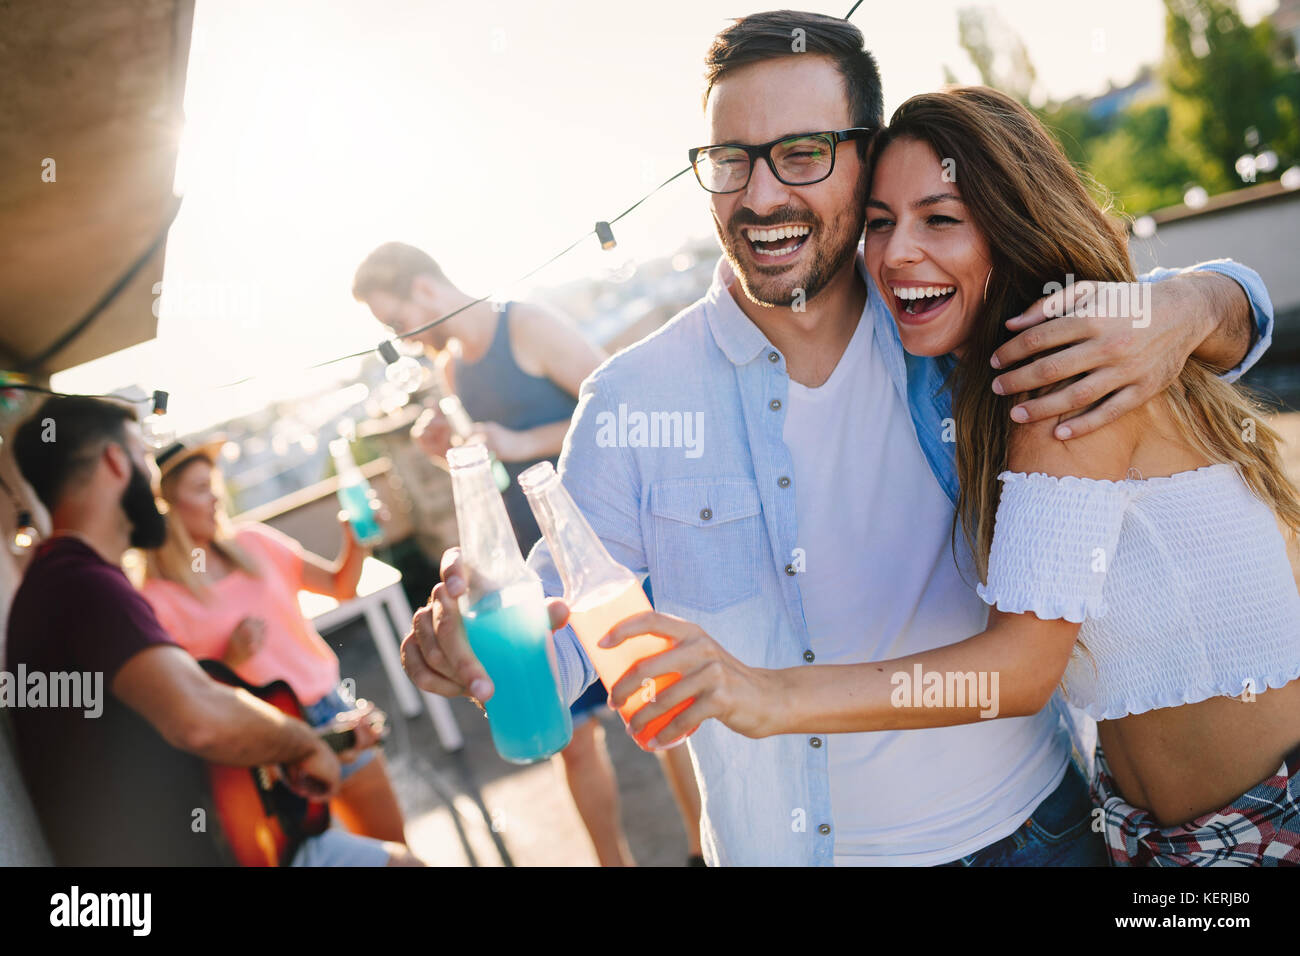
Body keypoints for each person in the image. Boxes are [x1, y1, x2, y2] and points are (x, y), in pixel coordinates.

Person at [403, 10, 1279, 866]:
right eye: (730, 161)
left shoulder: (958, 331)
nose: (761, 194)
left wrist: (1198, 299)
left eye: (802, 153)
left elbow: (1145, 321)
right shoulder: (632, 400)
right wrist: (473, 653)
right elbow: (561, 636)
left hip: (1039, 832)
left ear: (865, 161)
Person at [630, 86, 1300, 867]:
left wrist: (767, 694)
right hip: (1141, 828)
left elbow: (1013, 675)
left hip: (1256, 832)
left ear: (1013, 224)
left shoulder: (1072, 363)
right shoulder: (994, 367)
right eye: (879, 224)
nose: (896, 253)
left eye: (940, 218)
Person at [354, 243, 705, 865]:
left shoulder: (529, 324)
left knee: (658, 702)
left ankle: (700, 851)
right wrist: (455, 458)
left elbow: (621, 415)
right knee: (571, 735)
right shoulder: (453, 371)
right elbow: (497, 466)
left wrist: (517, 440)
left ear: (426, 292)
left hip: (604, 549)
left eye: (395, 322)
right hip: (530, 563)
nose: (401, 340)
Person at [5, 396, 422, 866]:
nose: (152, 483)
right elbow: (199, 714)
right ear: (115, 461)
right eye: (144, 457)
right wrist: (306, 742)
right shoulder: (83, 586)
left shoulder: (60, 583)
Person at [138, 438, 410, 847]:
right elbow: (188, 705)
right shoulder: (157, 599)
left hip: (334, 713)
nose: (214, 496)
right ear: (166, 509)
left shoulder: (253, 543)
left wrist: (356, 539)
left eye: (212, 484)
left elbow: (341, 586)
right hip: (267, 751)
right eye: (198, 488)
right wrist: (230, 658)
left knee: (395, 852)